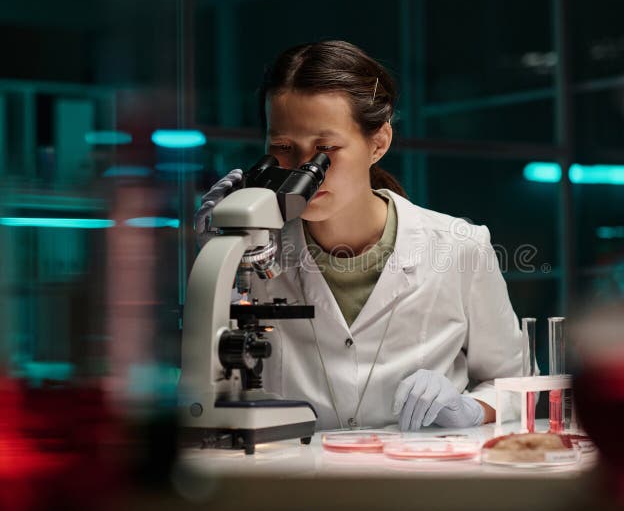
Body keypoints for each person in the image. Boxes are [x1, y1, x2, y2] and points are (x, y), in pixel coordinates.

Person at [194, 40, 529, 431]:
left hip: (414, 482)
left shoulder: (458, 247)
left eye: (326, 149)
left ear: (379, 143)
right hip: (292, 482)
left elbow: (517, 384)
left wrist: (472, 408)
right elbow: (208, 385)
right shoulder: (254, 253)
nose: (304, 168)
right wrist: (218, 258)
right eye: (282, 148)